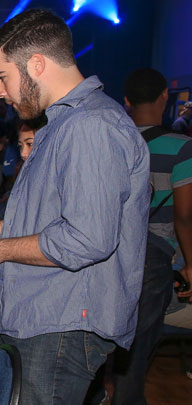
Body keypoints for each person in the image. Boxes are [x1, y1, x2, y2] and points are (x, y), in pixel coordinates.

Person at [0, 9, 150, 404]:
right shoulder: (62, 125)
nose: (1, 92)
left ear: (37, 64)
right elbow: (53, 218)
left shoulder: (91, 126)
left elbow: (87, 239)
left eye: (4, 77)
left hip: (62, 321)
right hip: (42, 315)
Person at [94, 68, 192, 404]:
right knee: (135, 351)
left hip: (105, 250)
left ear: (126, 101)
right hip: (153, 253)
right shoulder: (181, 147)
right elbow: (184, 214)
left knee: (96, 341)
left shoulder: (112, 140)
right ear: (165, 95)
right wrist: (191, 264)